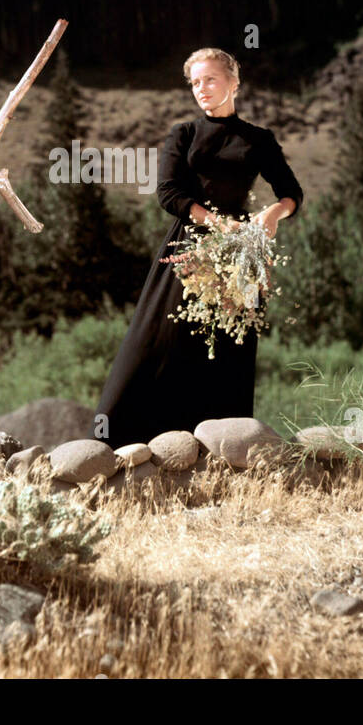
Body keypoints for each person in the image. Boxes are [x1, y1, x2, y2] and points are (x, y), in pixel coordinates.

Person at [93, 48, 304, 448]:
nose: (201, 90)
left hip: (242, 253)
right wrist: (215, 223)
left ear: (234, 81)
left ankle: (221, 453)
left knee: (229, 353)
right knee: (155, 343)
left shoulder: (259, 140)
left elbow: (292, 193)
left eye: (209, 79)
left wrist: (274, 214)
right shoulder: (184, 134)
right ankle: (116, 450)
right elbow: (168, 192)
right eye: (195, 83)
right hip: (188, 245)